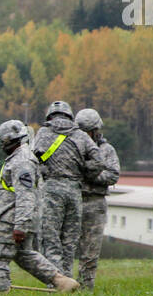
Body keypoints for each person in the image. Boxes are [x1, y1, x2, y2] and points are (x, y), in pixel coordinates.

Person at [0, 120, 79, 294]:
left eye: (5, 141)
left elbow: (26, 195)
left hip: (14, 219)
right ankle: (62, 282)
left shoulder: (22, 161)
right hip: (14, 215)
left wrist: (20, 225)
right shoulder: (20, 159)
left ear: (14, 139)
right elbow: (13, 193)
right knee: (24, 255)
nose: (3, 145)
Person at [31, 100, 105, 276]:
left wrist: (44, 170)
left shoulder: (42, 133)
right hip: (74, 192)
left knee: (50, 239)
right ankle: (68, 279)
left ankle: (56, 282)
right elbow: (99, 162)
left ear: (49, 115)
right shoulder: (81, 135)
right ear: (70, 116)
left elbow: (32, 160)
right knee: (69, 241)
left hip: (51, 190)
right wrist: (82, 171)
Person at [73, 109, 120, 291]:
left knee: (90, 251)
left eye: (88, 131)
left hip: (95, 203)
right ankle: (63, 285)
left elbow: (113, 174)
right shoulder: (71, 148)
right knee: (65, 247)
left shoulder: (106, 150)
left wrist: (90, 175)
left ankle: (85, 288)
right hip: (73, 202)